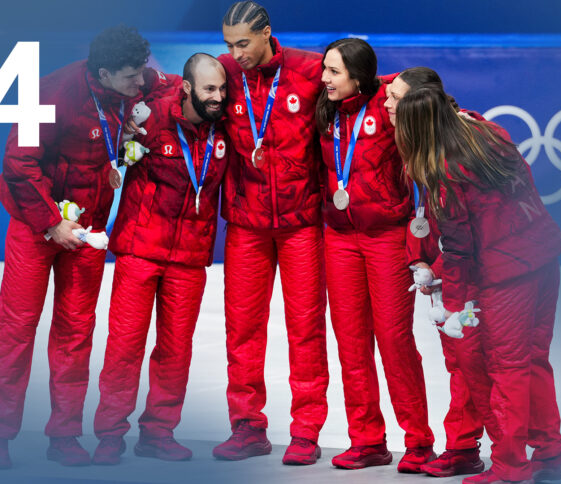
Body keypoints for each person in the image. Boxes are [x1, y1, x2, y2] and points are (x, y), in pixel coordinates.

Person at [0, 25, 178, 469]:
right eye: (131, 77)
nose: (140, 84)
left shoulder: (135, 81)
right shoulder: (49, 94)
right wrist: (52, 223)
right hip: (36, 226)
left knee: (75, 332)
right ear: (104, 73)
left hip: (88, 228)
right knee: (17, 330)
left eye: (142, 73)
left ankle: (65, 435)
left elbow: (175, 83)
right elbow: (17, 163)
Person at [394, 85, 561, 484]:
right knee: (533, 360)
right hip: (544, 258)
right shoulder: (490, 133)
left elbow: (459, 249)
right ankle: (551, 454)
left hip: (507, 276)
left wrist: (453, 308)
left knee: (505, 369)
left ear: (414, 131)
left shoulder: (445, 171)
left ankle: (510, 467)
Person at [91, 54, 229, 465]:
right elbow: (116, 138)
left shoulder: (226, 127)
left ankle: (158, 433)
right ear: (186, 88)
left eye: (222, 89)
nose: (218, 97)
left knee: (175, 351)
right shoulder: (150, 114)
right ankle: (110, 435)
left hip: (189, 257)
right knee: (124, 347)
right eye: (209, 89)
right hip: (140, 251)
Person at [213, 1, 329, 465]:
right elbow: (176, 93)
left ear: (266, 33)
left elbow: (366, 84)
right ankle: (247, 428)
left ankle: (306, 431)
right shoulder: (224, 72)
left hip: (301, 223)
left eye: (243, 43)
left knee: (306, 330)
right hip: (246, 224)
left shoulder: (310, 69)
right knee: (242, 330)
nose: (236, 53)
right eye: (229, 44)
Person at [315, 38, 435, 473]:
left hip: (386, 236)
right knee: (350, 341)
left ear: (360, 76)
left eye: (334, 72)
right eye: (325, 69)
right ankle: (366, 440)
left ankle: (419, 441)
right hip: (340, 238)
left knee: (393, 339)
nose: (324, 78)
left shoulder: (387, 106)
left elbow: (421, 90)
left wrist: (384, 85)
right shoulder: (325, 108)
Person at [386, 67, 487, 478]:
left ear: (422, 102)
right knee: (456, 359)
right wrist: (419, 260)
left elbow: (472, 226)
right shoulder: (416, 138)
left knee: (470, 359)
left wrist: (440, 266)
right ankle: (467, 445)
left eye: (395, 97)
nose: (387, 104)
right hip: (443, 269)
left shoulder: (463, 143)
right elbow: (421, 211)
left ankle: (473, 446)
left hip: (471, 270)